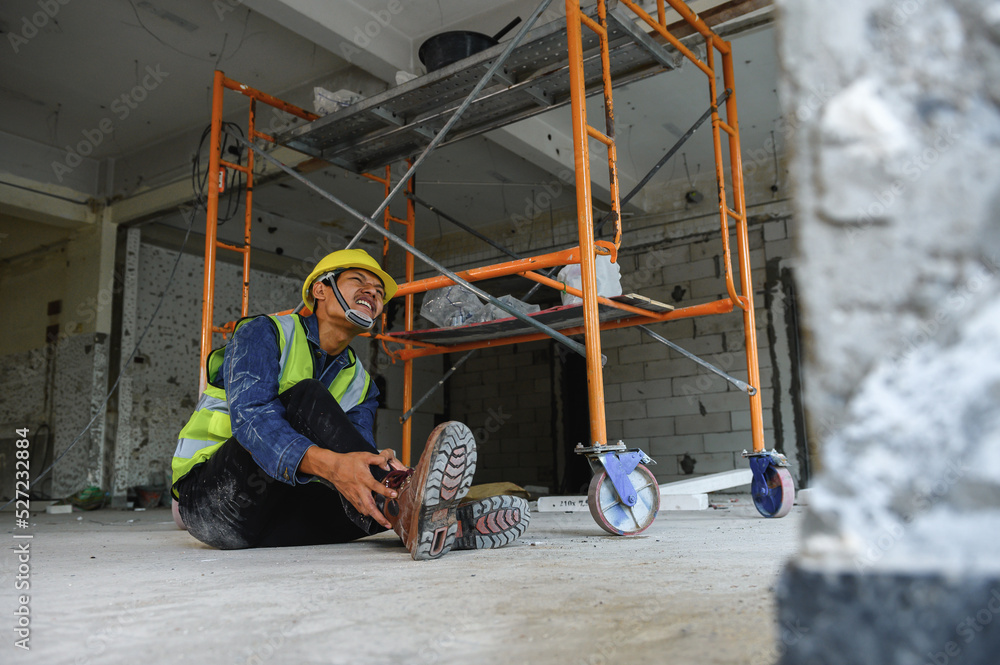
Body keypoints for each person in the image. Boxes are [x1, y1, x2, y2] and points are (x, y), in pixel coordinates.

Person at [171, 249, 528, 560]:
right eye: (359, 281)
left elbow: (355, 458)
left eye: (378, 293)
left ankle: (425, 518)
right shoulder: (265, 334)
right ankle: (411, 505)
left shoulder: (363, 385)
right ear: (320, 289)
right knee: (306, 396)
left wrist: (371, 472)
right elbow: (251, 419)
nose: (371, 294)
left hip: (271, 522)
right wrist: (339, 467)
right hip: (214, 502)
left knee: (369, 500)